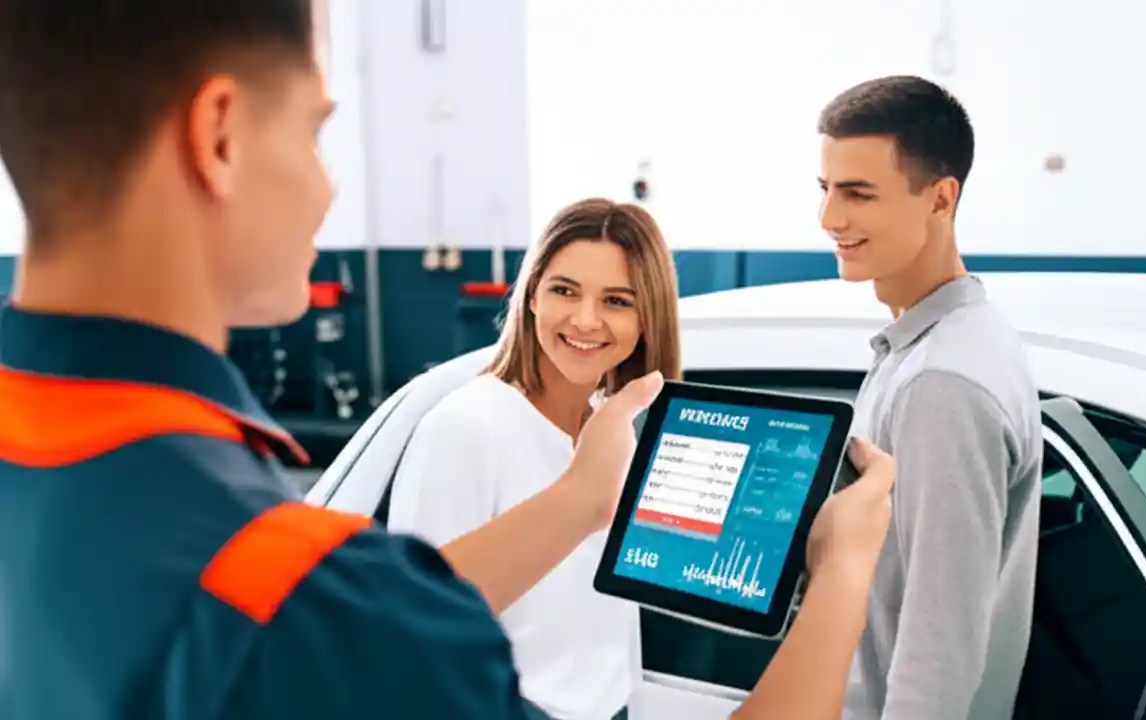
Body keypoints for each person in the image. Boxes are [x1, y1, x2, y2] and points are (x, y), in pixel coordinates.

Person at [0, 2, 895, 718]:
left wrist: (584, 500)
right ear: (222, 134)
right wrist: (846, 567)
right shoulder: (295, 609)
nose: (329, 185)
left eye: (618, 299)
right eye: (317, 132)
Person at [387, 198, 677, 720]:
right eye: (565, 291)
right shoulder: (468, 425)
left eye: (616, 301)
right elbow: (415, 626)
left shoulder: (612, 428)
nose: (586, 320)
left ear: (646, 317)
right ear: (533, 297)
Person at [815, 75, 1043, 719]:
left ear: (940, 197)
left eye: (858, 194)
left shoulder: (942, 384)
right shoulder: (950, 343)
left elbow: (938, 651)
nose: (830, 218)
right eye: (827, 189)